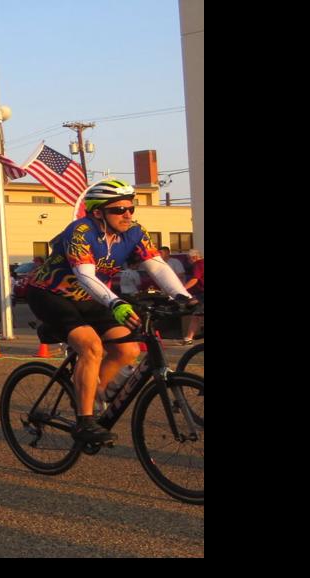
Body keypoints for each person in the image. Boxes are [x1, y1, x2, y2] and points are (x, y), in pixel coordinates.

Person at [22, 178, 198, 447]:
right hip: (51, 294)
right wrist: (115, 303)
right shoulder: (80, 231)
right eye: (119, 210)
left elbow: (157, 265)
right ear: (97, 213)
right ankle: (84, 421)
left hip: (90, 297)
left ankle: (92, 392)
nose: (127, 214)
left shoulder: (135, 231)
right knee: (91, 346)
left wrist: (182, 296)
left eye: (131, 208)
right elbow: (85, 275)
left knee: (128, 349)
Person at [180, 250, 204, 343]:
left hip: (202, 293)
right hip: (200, 293)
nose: (188, 261)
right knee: (197, 315)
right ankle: (189, 337)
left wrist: (182, 289)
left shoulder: (198, 264)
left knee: (196, 316)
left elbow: (195, 279)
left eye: (188, 259)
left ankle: (189, 338)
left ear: (194, 257)